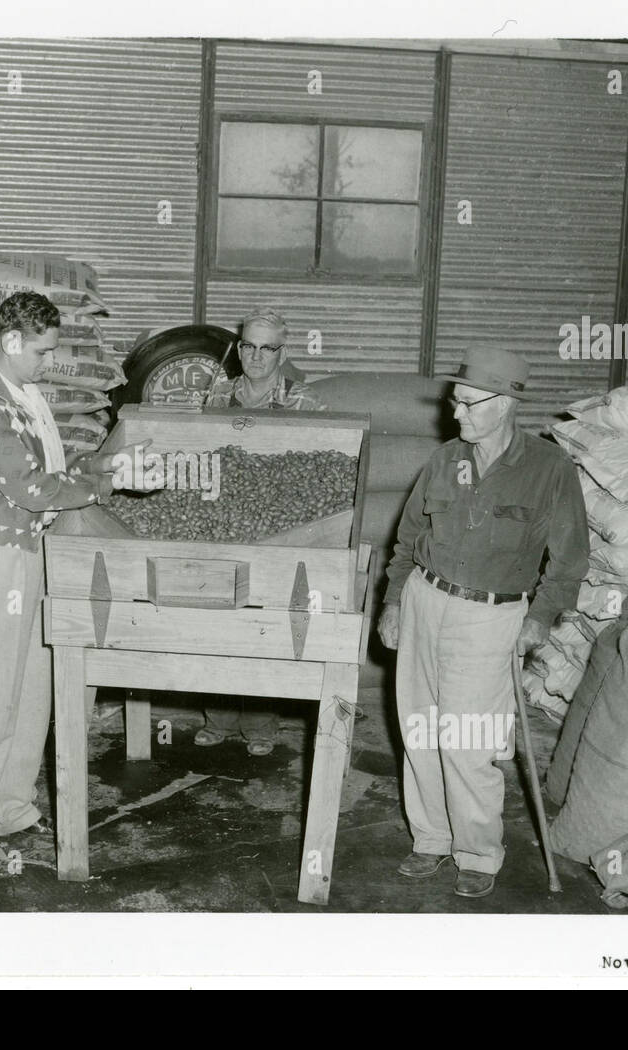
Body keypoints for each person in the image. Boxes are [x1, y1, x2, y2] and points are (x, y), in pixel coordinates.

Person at [0, 290, 145, 894]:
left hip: (29, 554)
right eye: (44, 351)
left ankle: (6, 806)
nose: (50, 362)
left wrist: (106, 471)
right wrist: (100, 487)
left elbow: (51, 472)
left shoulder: (24, 395)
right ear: (12, 342)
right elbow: (29, 488)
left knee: (28, 691)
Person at [377, 347, 588, 899]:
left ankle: (476, 851)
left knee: (468, 742)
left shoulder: (549, 469)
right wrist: (395, 603)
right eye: (456, 400)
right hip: (426, 599)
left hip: (491, 616)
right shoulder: (446, 459)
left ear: (506, 404)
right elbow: (403, 543)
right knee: (420, 732)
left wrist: (540, 618)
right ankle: (430, 840)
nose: (456, 413)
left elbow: (569, 562)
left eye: (469, 403)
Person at [194, 307, 327, 756]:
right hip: (221, 526)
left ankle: (262, 725)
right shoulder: (217, 396)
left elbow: (322, 469)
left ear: (282, 352)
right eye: (248, 346)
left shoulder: (302, 403)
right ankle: (219, 717)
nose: (255, 357)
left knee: (263, 626)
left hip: (277, 530)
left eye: (266, 348)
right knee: (219, 624)